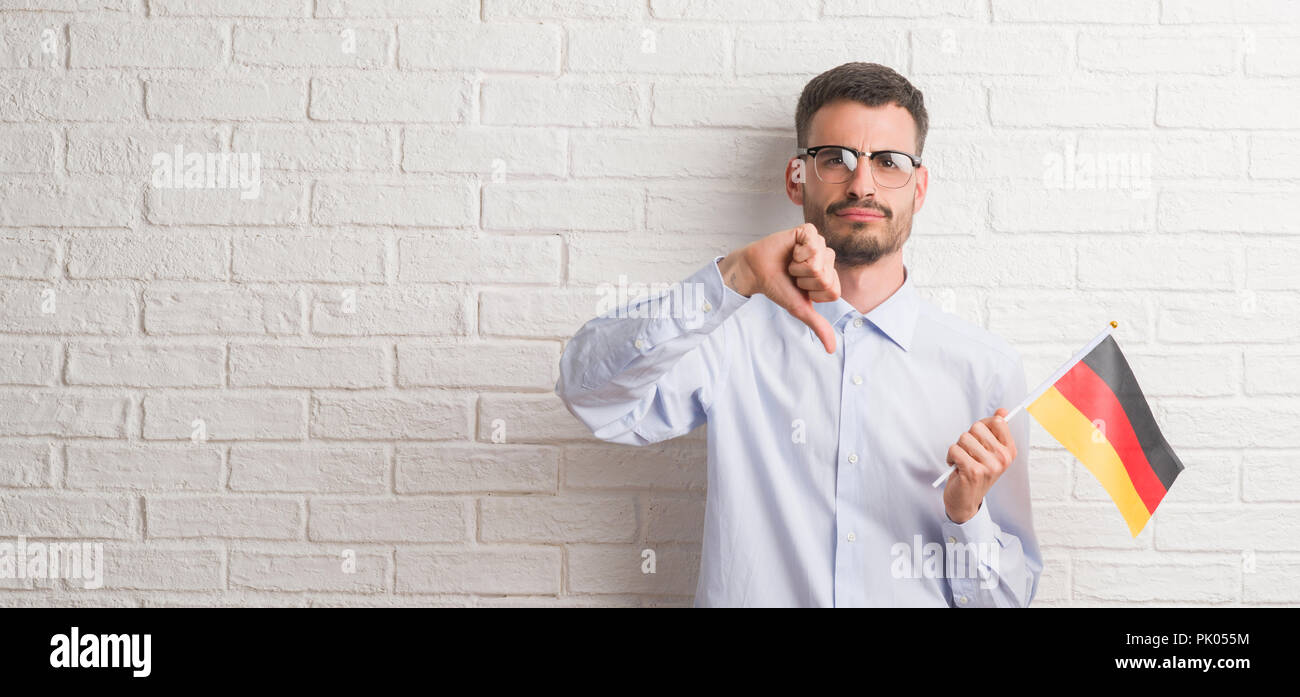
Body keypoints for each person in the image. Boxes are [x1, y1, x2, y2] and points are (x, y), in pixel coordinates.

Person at [555, 62, 1042, 607]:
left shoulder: (985, 370)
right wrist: (731, 277)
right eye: (835, 159)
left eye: (889, 162)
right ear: (797, 177)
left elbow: (1006, 602)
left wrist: (966, 516)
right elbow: (589, 396)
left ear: (919, 188)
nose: (862, 183)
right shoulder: (730, 335)